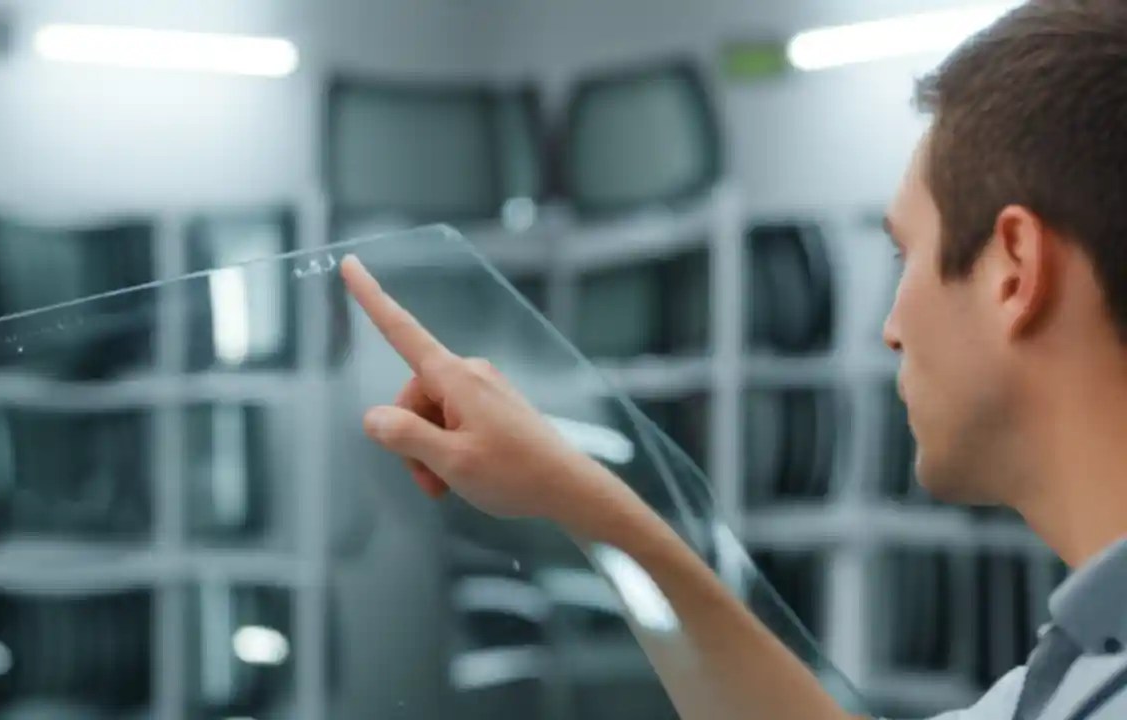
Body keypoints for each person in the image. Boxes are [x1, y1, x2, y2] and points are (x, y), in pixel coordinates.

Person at [340, 0, 1127, 718]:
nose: (890, 328)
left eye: (903, 257)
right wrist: (572, 490)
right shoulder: (1077, 672)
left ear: (1014, 270)